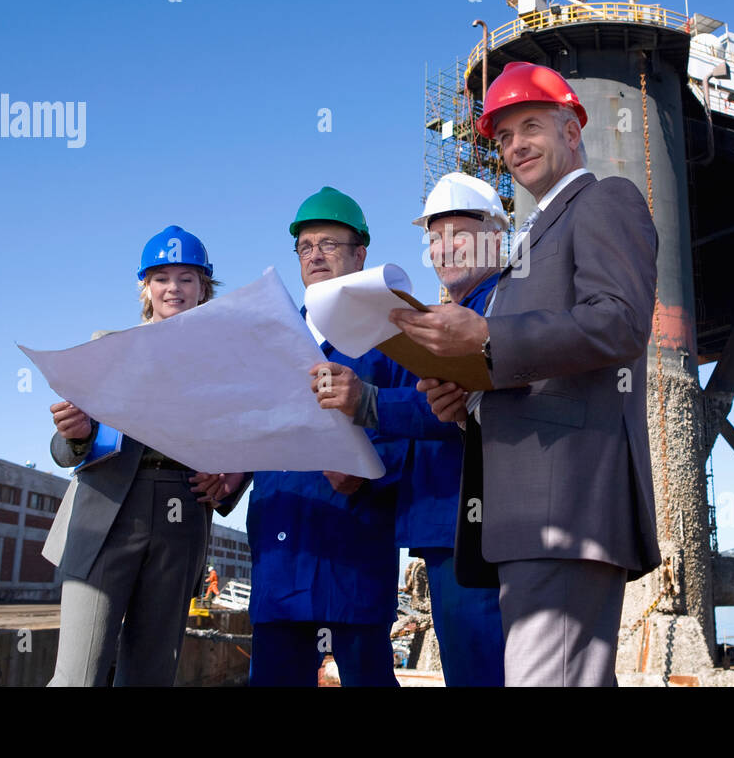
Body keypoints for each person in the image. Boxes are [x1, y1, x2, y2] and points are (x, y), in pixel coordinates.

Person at [390, 62, 661, 686]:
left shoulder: (604, 200)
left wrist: (486, 336)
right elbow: (530, 364)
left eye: (530, 127)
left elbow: (619, 323)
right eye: (504, 137)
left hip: (563, 502)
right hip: (526, 512)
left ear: (573, 130)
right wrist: (468, 395)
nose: (514, 147)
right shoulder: (531, 242)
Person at [312, 172, 507, 686]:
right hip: (447, 527)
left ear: (497, 234)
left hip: (479, 529)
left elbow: (458, 404)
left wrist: (368, 402)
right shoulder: (452, 314)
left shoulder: (501, 309)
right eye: (435, 238)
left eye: (458, 234)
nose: (444, 248)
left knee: (487, 671)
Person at [43, 225, 249, 686]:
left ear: (204, 288)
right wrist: (74, 434)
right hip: (106, 510)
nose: (173, 288)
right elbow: (62, 449)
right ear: (146, 288)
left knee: (151, 675)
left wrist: (227, 479)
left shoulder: (228, 365)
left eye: (186, 278)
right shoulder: (106, 348)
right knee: (78, 675)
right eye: (161, 277)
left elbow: (246, 442)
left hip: (183, 512)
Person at [246, 187, 405, 687]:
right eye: (305, 246)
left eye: (329, 244)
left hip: (351, 548)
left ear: (360, 254)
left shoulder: (393, 336)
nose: (314, 255)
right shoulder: (271, 338)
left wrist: (367, 474)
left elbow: (417, 429)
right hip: (281, 546)